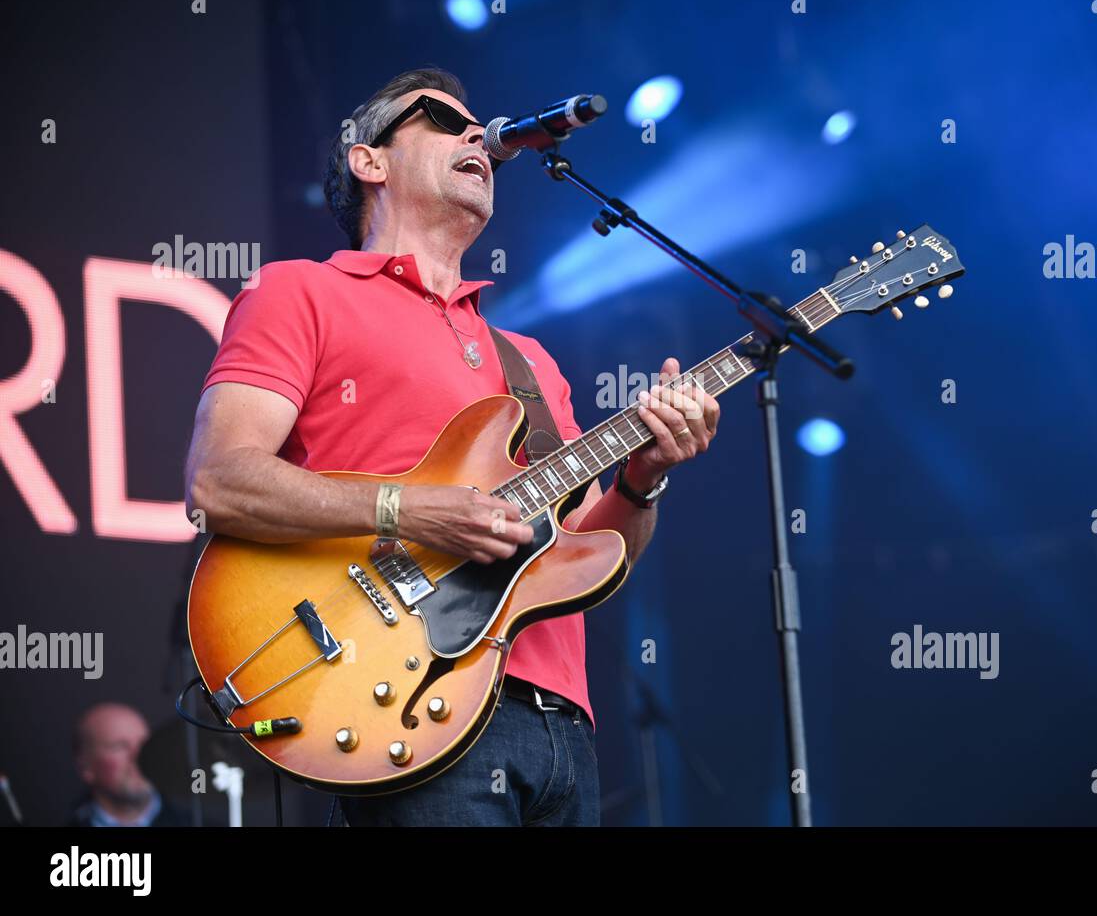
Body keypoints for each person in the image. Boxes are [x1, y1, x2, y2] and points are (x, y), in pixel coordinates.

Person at [184, 67, 720, 826]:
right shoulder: (298, 292)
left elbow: (593, 560)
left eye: (478, 128)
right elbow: (219, 482)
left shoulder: (530, 362)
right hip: (407, 702)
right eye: (440, 118)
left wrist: (645, 476)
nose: (476, 134)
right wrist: (413, 512)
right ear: (369, 161)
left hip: (564, 726)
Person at [66, 702, 184, 827]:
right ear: (85, 767)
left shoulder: (197, 821)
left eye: (144, 744)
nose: (139, 756)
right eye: (119, 747)